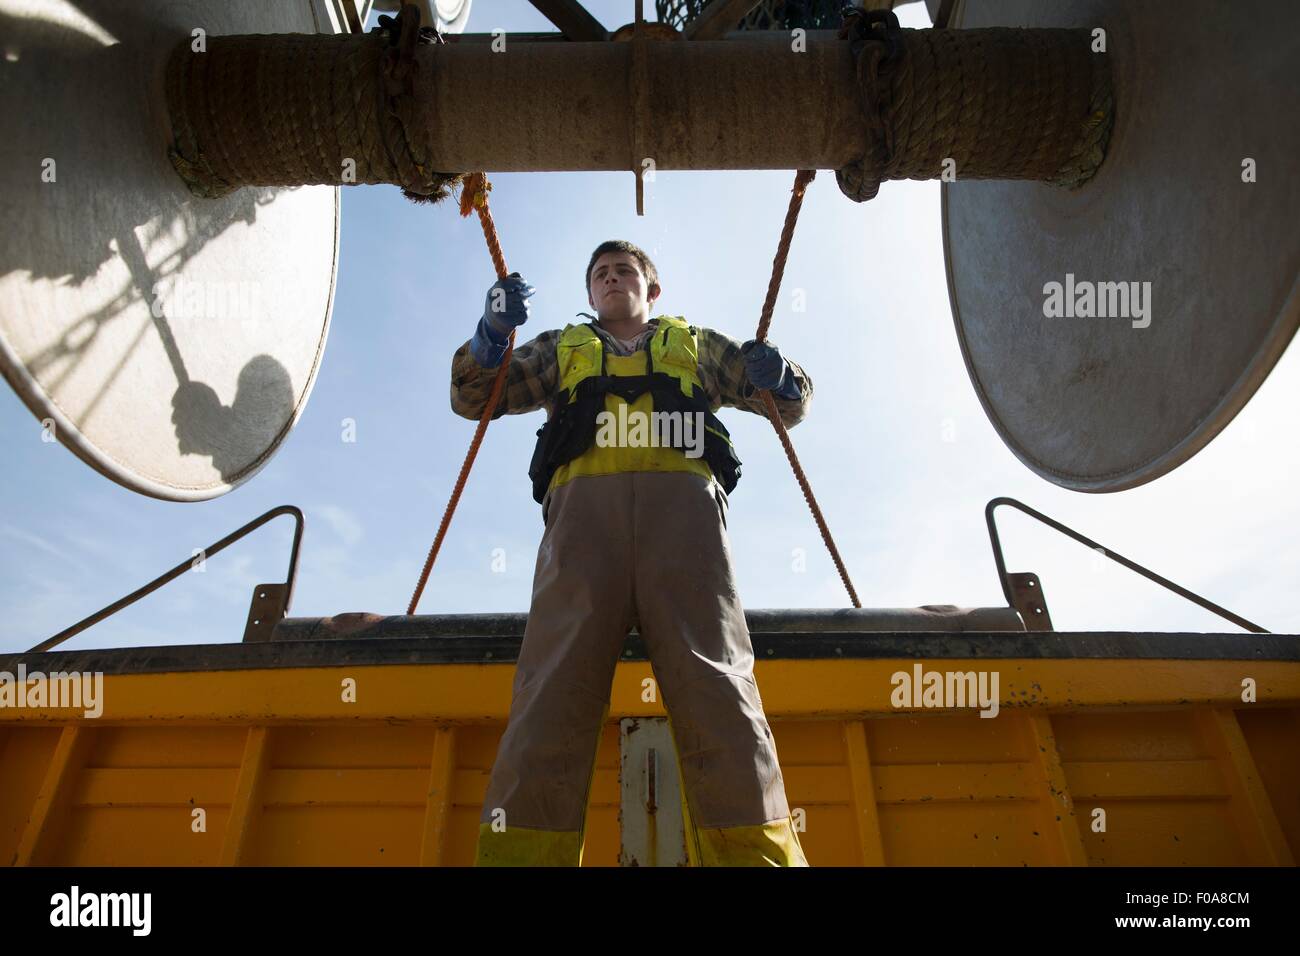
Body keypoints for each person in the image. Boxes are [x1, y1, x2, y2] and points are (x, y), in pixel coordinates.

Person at [451, 239, 813, 866]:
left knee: (721, 692)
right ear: (590, 293)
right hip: (580, 532)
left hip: (688, 531)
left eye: (625, 271)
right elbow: (475, 398)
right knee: (550, 695)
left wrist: (780, 375)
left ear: (653, 288)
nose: (612, 279)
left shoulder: (698, 346)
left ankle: (757, 857)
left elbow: (790, 405)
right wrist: (489, 336)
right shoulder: (560, 349)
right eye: (601, 274)